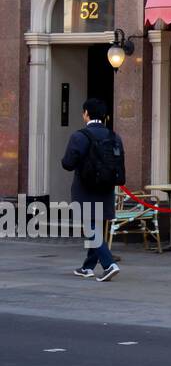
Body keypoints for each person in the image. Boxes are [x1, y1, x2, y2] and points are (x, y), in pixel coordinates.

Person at [61, 98, 122, 282]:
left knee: (90, 226)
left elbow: (68, 164)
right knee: (96, 227)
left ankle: (109, 264)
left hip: (85, 188)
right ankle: (87, 267)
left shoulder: (80, 136)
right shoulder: (114, 136)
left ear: (86, 113)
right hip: (106, 188)